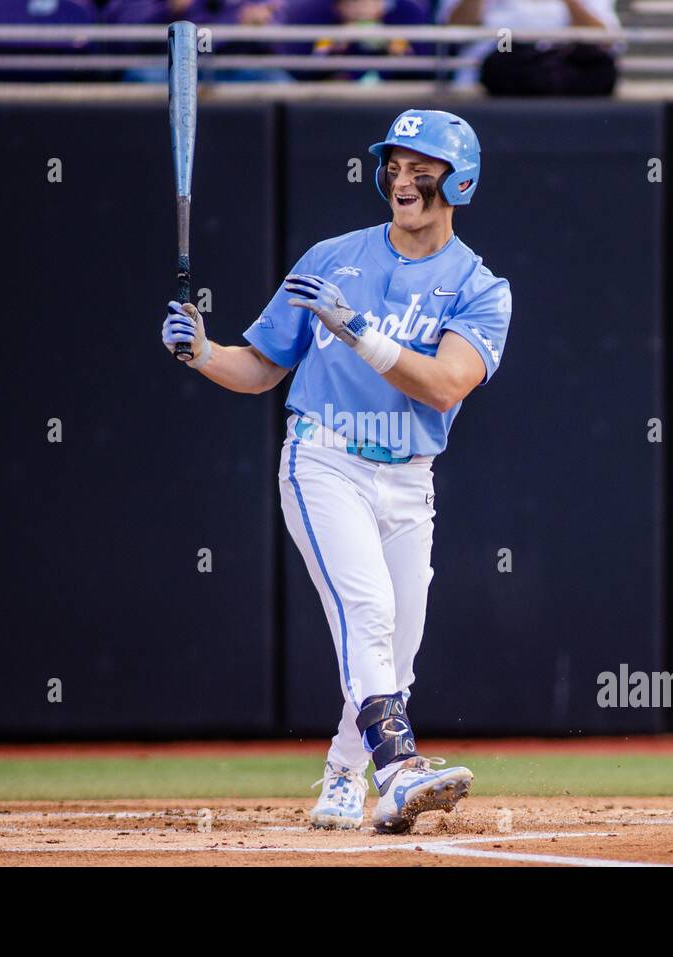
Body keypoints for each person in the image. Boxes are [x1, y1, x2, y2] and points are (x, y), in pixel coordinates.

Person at [161, 109, 512, 833]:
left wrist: (360, 333)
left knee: (399, 653)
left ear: (460, 179)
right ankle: (401, 766)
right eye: (394, 163)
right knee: (368, 613)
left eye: (421, 167)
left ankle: (344, 773)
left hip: (410, 476)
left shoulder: (483, 287)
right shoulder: (330, 256)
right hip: (324, 458)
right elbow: (260, 367)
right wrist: (201, 350)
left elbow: (446, 383)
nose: (401, 177)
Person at [439, 0, 620, 96]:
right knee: (505, 54)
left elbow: (605, 39)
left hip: (561, 81)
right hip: (485, 82)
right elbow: (453, 29)